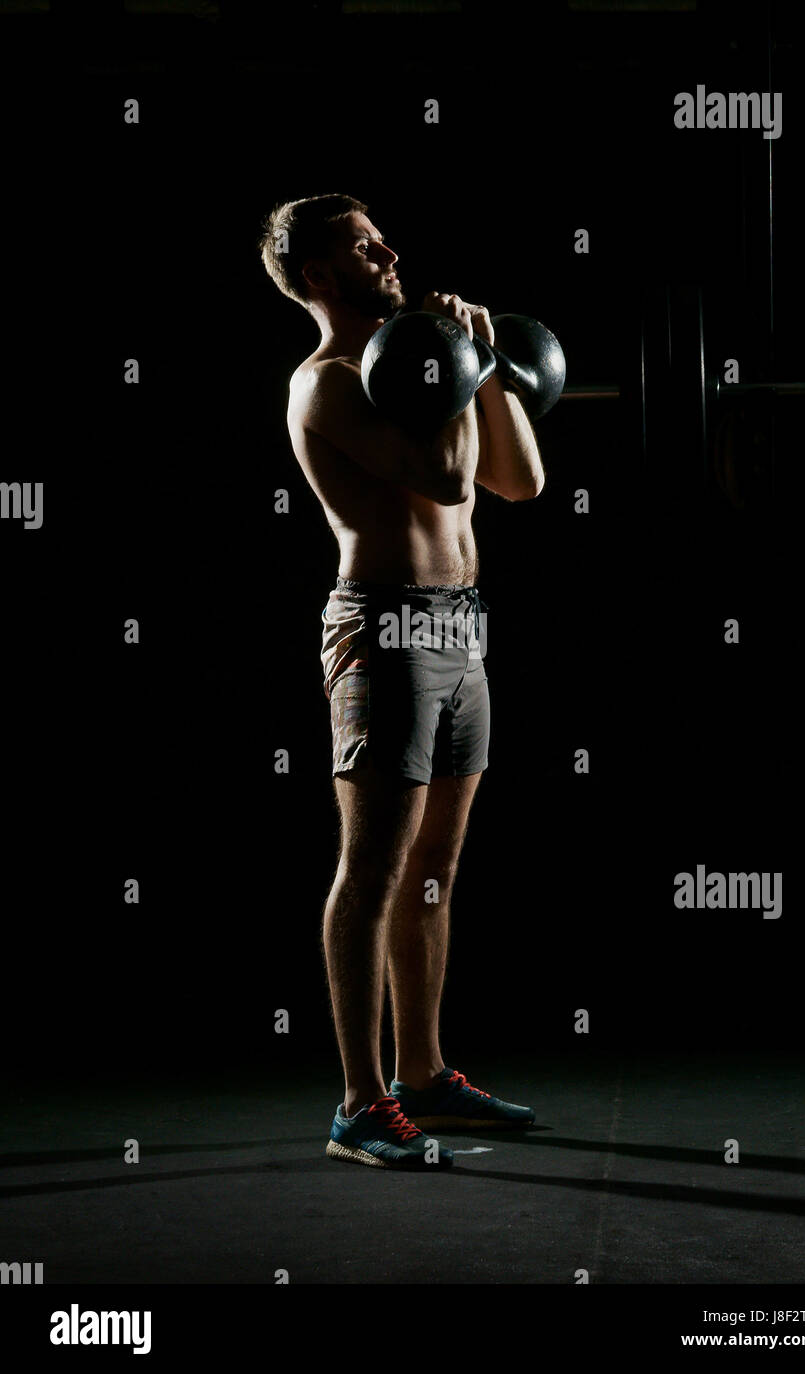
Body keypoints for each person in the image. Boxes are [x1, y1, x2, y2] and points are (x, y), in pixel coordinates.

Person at [260, 194, 543, 1169]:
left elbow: (520, 483)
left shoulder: (419, 362)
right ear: (320, 277)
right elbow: (445, 480)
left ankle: (422, 1073)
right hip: (382, 629)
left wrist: (486, 361)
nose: (389, 251)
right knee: (374, 867)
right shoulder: (328, 383)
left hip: (460, 626)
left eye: (380, 236)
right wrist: (457, 374)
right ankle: (358, 1102)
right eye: (362, 245)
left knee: (435, 867)